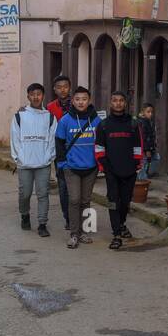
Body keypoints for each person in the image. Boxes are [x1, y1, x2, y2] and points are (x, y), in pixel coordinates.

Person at [96, 91, 144, 249]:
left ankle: (122, 224)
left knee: (125, 202)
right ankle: (116, 234)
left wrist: (137, 165)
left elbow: (138, 146)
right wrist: (105, 168)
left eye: (121, 100)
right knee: (112, 202)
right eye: (114, 100)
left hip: (129, 171)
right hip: (111, 172)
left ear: (125, 103)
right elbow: (99, 149)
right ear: (110, 103)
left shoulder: (133, 124)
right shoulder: (103, 125)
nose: (118, 103)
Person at [54, 86, 99, 249]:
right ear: (73, 101)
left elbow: (101, 143)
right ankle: (74, 233)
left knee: (86, 200)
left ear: (89, 100)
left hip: (91, 168)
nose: (81, 102)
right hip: (71, 167)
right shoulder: (65, 120)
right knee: (74, 199)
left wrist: (99, 164)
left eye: (84, 99)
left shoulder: (96, 120)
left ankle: (86, 231)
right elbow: (59, 143)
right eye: (78, 99)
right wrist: (62, 164)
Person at [11, 83, 56, 237]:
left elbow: (52, 140)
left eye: (39, 94)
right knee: (25, 193)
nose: (36, 97)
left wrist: (49, 157)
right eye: (32, 94)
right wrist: (19, 157)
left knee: (43, 193)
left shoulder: (49, 117)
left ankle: (42, 224)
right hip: (24, 164)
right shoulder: (19, 116)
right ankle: (24, 215)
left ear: (43, 96)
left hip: (43, 163)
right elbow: (14, 138)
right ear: (28, 96)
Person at [46, 75, 73, 230]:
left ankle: (79, 217)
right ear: (55, 89)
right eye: (59, 87)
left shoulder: (78, 104)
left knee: (77, 188)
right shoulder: (50, 107)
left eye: (65, 86)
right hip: (60, 152)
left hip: (77, 151)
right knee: (63, 185)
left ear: (69, 88)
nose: (63, 89)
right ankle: (68, 217)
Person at [137, 103, 159, 179]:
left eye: (152, 112)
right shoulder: (142, 122)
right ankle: (142, 182)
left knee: (156, 158)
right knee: (144, 164)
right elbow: (144, 137)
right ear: (143, 112)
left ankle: (147, 175)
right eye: (148, 112)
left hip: (151, 147)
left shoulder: (149, 121)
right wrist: (147, 150)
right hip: (144, 148)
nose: (151, 114)